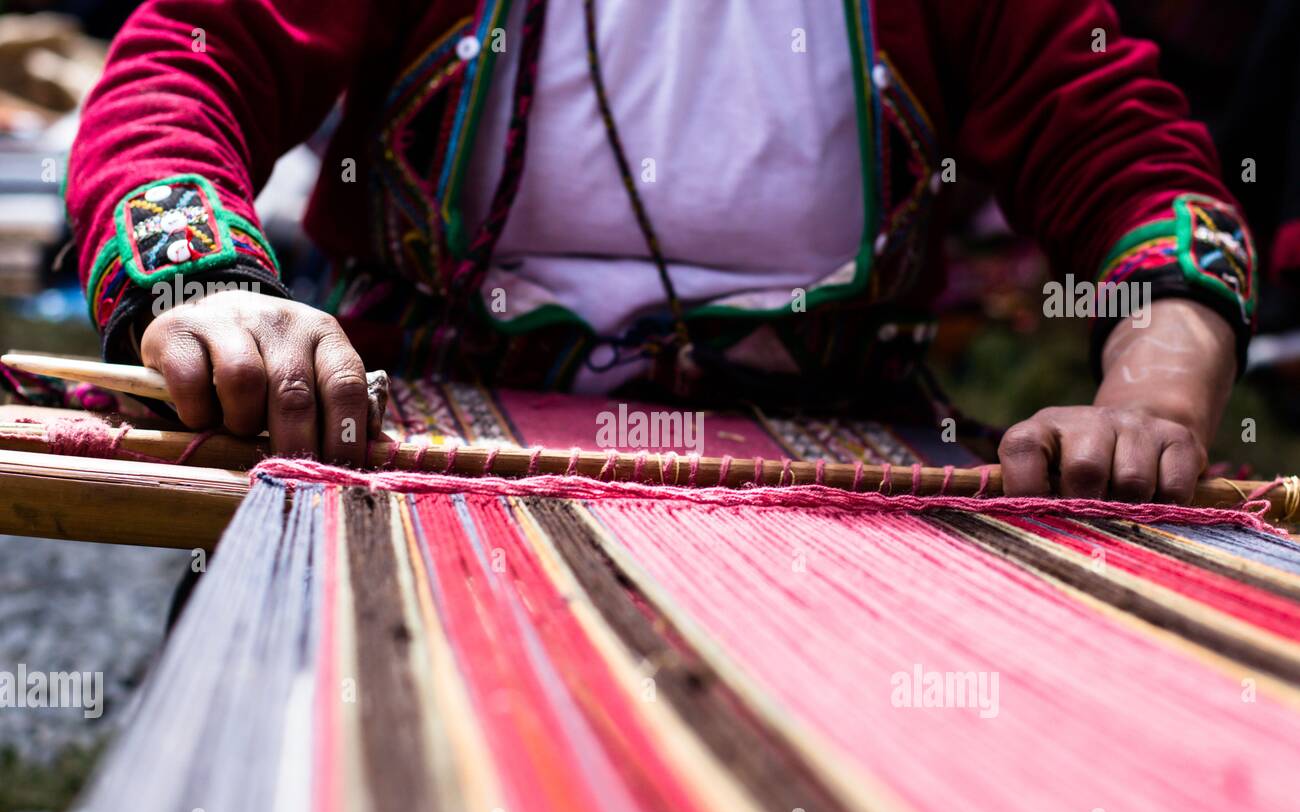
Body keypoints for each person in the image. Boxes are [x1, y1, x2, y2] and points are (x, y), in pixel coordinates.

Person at [66, 0, 1256, 501]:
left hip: (841, 468)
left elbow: (1127, 161)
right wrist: (205, 283)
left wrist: (1154, 386)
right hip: (414, 432)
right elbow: (197, 52)